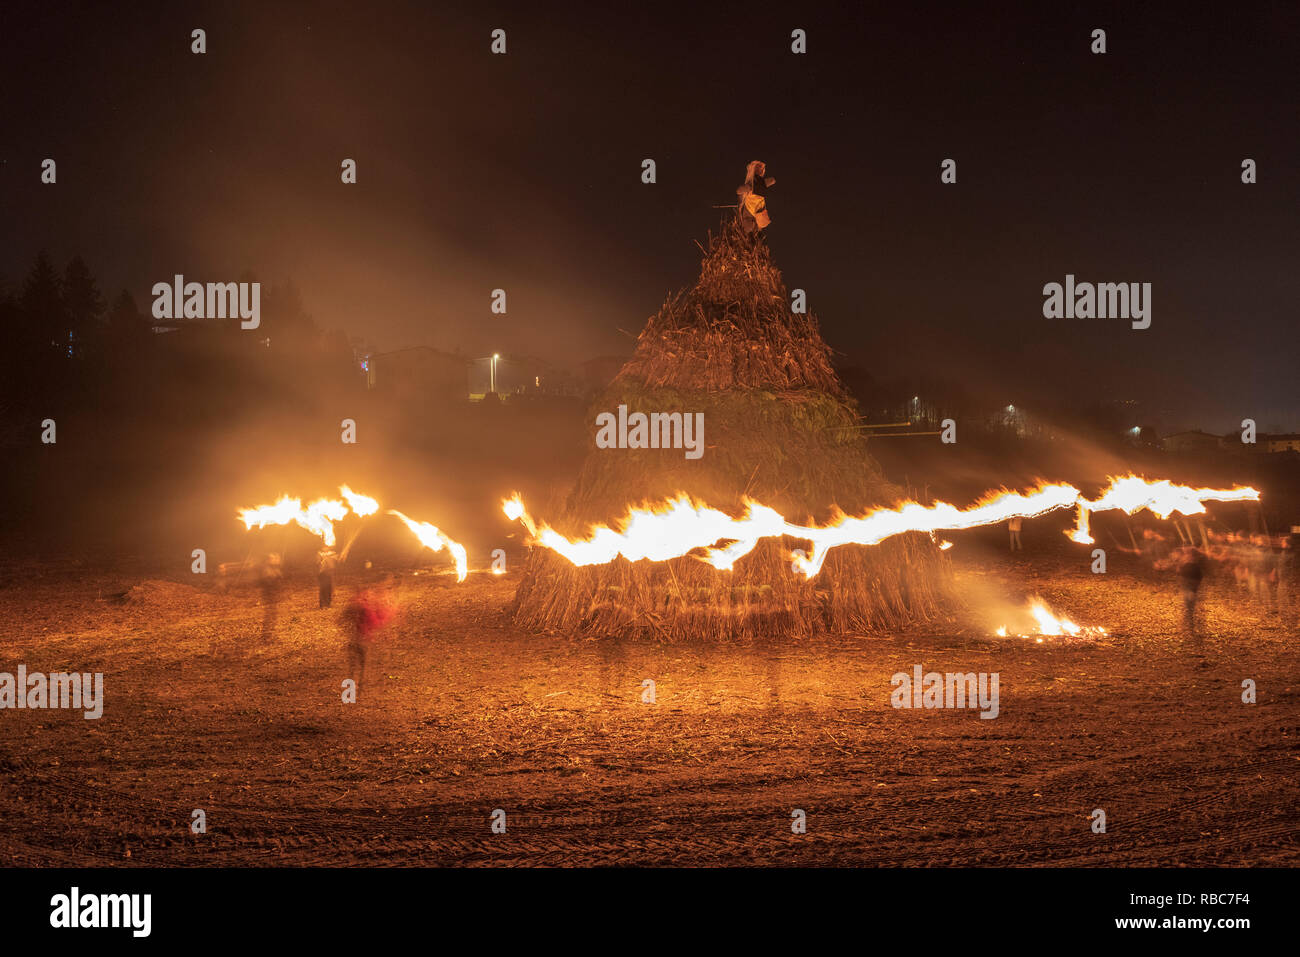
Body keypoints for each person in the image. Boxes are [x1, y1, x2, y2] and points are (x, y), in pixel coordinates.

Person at [341, 580, 398, 693]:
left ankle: (350, 693)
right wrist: (390, 611)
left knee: (352, 666)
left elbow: (342, 619)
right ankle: (360, 688)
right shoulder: (366, 609)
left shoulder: (353, 605)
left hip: (353, 639)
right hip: (363, 640)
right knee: (362, 665)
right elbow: (376, 622)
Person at [257, 552, 283, 642]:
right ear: (268, 560)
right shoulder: (267, 570)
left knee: (273, 616)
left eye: (277, 558)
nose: (277, 560)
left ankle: (271, 634)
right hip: (269, 596)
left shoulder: (274, 569)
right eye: (274, 558)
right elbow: (268, 583)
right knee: (269, 616)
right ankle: (267, 636)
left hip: (273, 596)